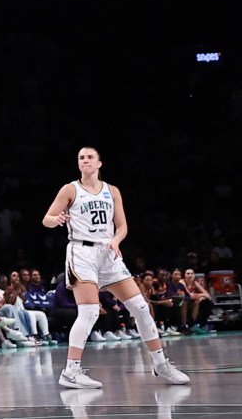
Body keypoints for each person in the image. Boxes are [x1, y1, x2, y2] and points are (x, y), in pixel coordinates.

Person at [44, 146, 190, 389]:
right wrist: (56, 219)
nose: (85, 161)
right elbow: (46, 218)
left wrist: (115, 240)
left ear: (100, 163)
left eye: (90, 157)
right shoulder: (70, 189)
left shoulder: (112, 191)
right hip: (82, 252)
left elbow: (122, 226)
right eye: (81, 158)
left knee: (141, 308)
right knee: (89, 312)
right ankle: (70, 371)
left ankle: (160, 364)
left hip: (108, 252)